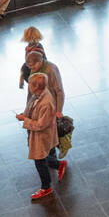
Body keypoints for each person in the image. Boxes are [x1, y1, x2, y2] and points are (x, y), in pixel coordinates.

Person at [17, 72, 63, 201]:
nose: (28, 86)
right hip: (43, 136)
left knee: (39, 160)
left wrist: (24, 119)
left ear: (36, 87)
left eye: (30, 84)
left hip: (42, 136)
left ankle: (46, 187)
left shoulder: (46, 103)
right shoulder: (39, 94)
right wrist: (25, 115)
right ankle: (59, 165)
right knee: (47, 154)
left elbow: (40, 125)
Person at [24, 51, 65, 124]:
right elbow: (30, 92)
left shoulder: (51, 70)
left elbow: (59, 91)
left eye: (33, 67)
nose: (31, 69)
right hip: (40, 103)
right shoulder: (34, 69)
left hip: (51, 102)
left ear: (39, 62)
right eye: (29, 67)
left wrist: (58, 111)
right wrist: (27, 110)